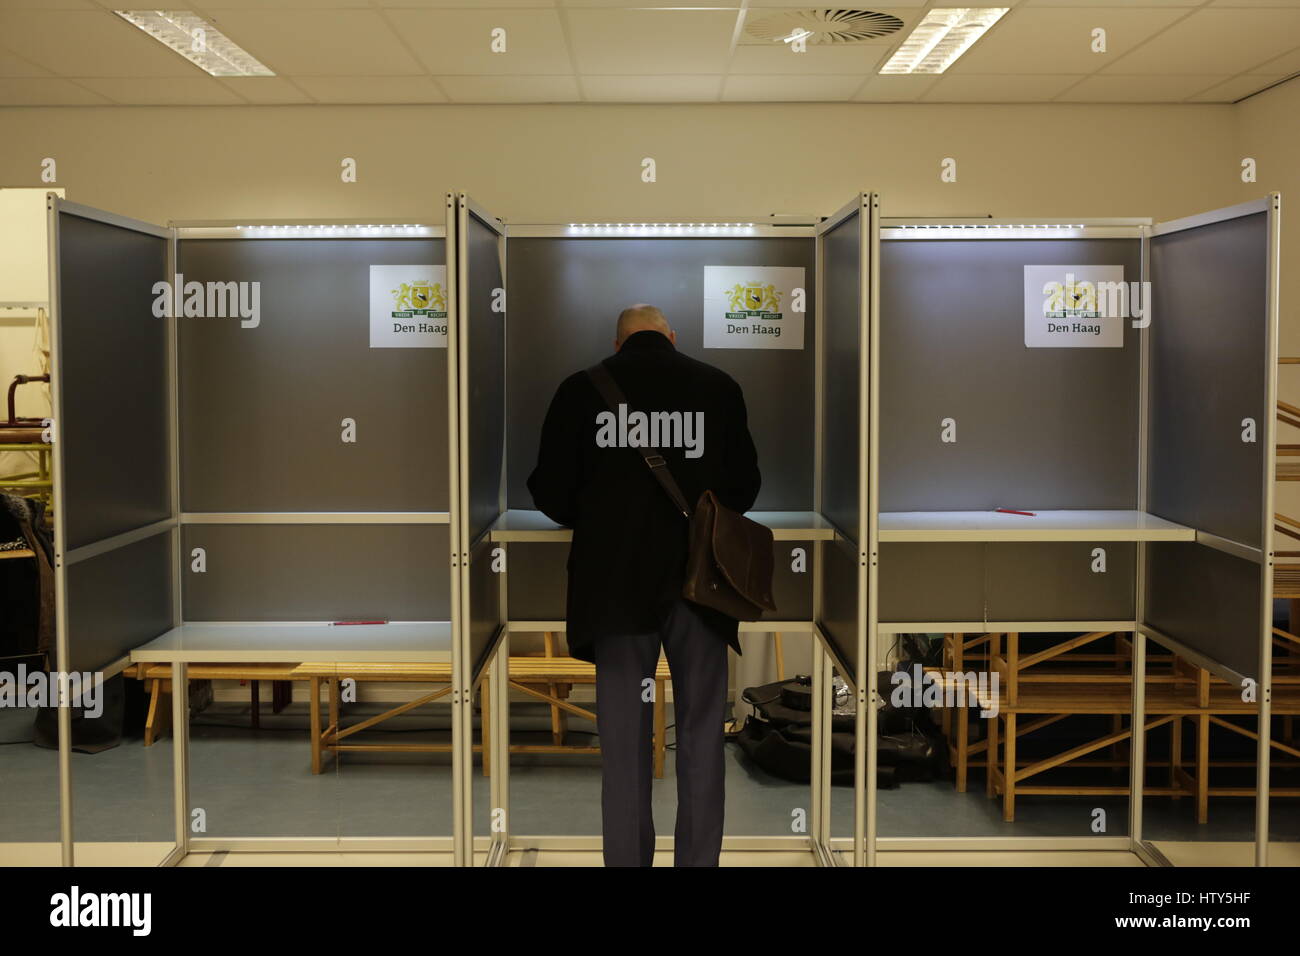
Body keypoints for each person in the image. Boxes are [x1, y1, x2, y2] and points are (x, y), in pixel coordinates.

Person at [527, 304, 761, 867]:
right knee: (703, 733)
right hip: (700, 588)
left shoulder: (579, 391)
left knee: (624, 746)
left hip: (614, 588)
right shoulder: (719, 387)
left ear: (617, 342)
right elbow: (745, 490)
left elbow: (551, 496)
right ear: (671, 337)